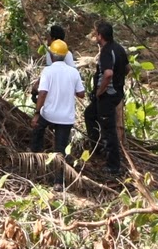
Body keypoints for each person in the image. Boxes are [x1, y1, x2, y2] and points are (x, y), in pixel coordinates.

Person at [32, 39, 84, 185]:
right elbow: (81, 94)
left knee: (37, 133)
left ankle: (35, 165)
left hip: (48, 115)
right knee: (60, 149)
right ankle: (58, 182)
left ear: (52, 55)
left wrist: (37, 114)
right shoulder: (73, 72)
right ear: (65, 55)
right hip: (66, 118)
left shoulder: (48, 71)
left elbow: (42, 93)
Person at [86, 20, 130, 176]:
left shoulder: (106, 51)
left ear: (100, 36)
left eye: (96, 34)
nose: (95, 37)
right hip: (115, 93)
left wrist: (99, 91)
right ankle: (97, 148)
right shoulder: (119, 49)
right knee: (90, 114)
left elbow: (108, 74)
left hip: (107, 96)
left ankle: (113, 165)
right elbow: (127, 68)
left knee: (109, 129)